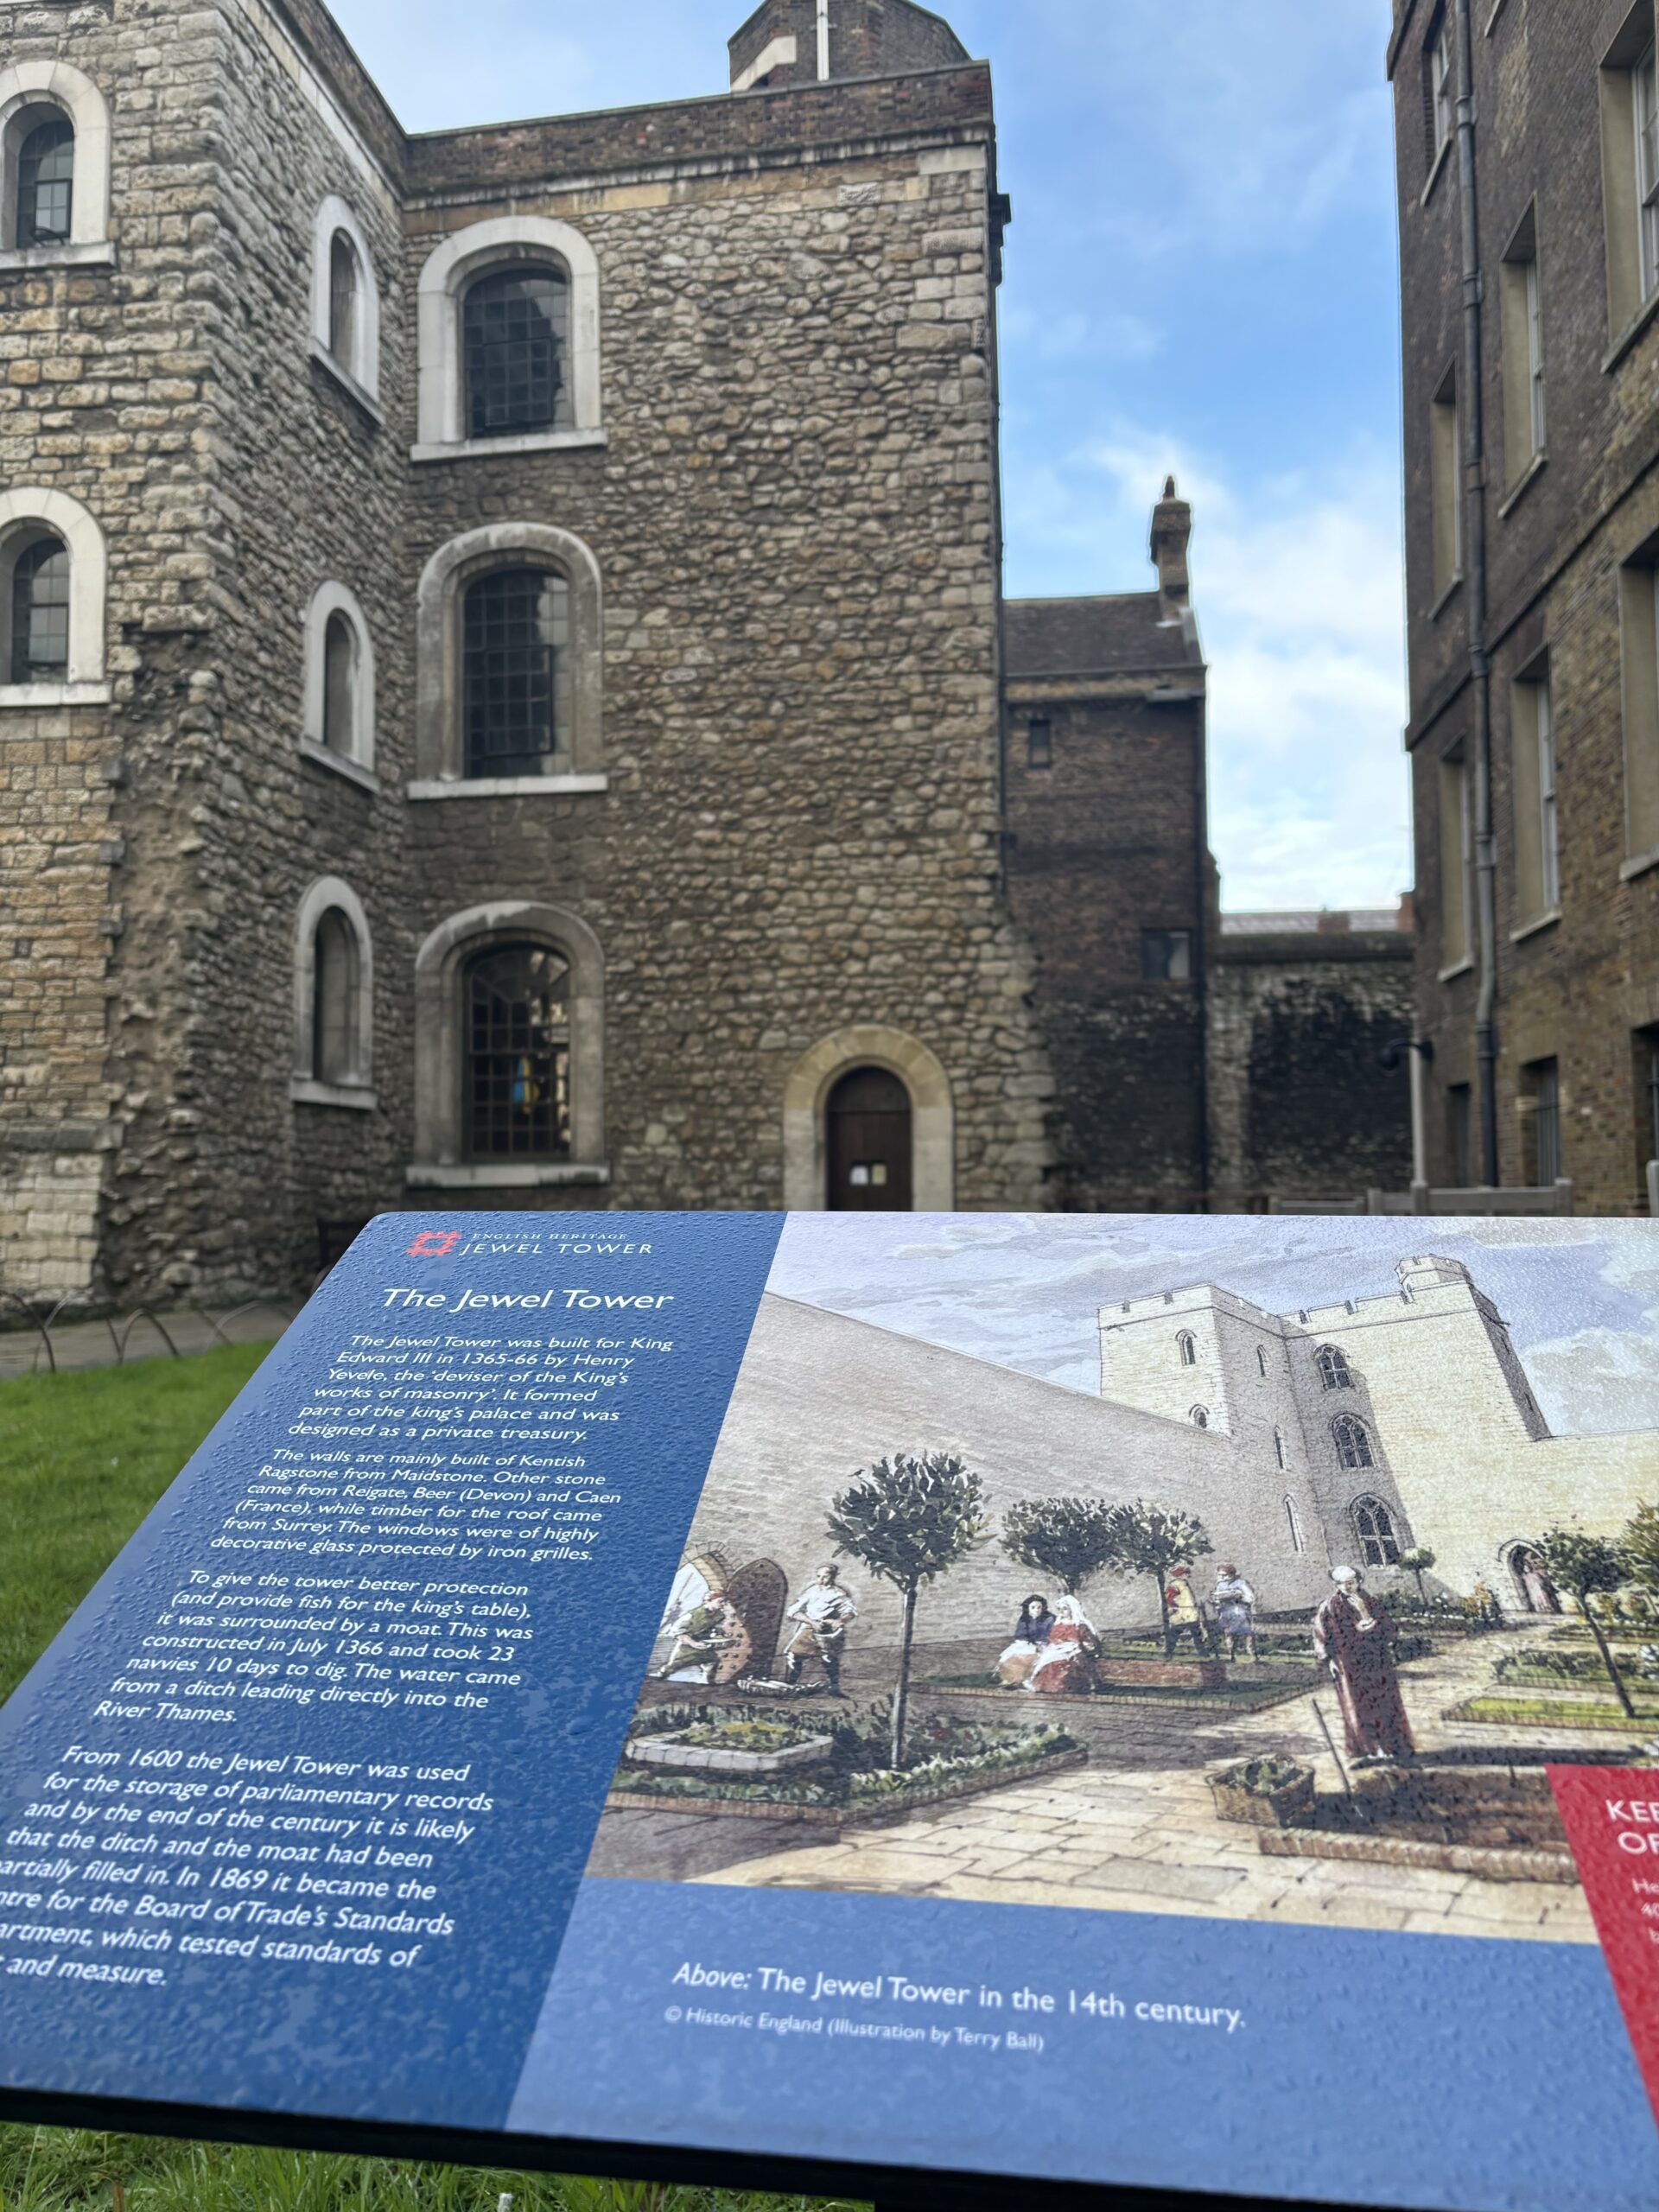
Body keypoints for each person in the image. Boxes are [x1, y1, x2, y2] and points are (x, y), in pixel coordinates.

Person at [1313, 1565, 1415, 1764]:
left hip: (1377, 1662)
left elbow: (1389, 1632)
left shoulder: (1371, 1603)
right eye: (1342, 1583)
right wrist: (1329, 1659)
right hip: (1348, 1665)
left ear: (1359, 1581)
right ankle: (1368, 1751)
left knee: (1383, 1704)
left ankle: (1391, 1748)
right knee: (1357, 1707)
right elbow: (1321, 1634)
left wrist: (1366, 1616)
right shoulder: (1329, 1606)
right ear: (1336, 1585)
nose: (1347, 1587)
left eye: (1351, 1582)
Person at [783, 1563, 859, 1695]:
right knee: (794, 1655)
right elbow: (793, 1610)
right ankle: (790, 1685)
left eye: (825, 1576)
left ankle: (834, 1687)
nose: (821, 1580)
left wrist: (839, 1621)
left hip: (827, 1631)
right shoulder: (812, 1590)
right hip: (808, 1628)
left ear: (833, 1576)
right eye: (819, 1576)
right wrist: (811, 1622)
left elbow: (850, 1612)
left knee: (829, 1658)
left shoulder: (839, 1593)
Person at [658, 1586, 736, 1684]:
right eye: (720, 1601)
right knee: (672, 1667)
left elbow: (717, 1629)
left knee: (712, 1662)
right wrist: (693, 1643)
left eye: (724, 1602)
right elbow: (677, 1632)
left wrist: (723, 1637)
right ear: (708, 1601)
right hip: (687, 1648)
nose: (723, 1604)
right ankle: (656, 1683)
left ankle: (708, 1686)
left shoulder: (719, 1615)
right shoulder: (693, 1614)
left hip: (705, 1646)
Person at [1027, 1595, 1099, 1694]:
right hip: (1057, 1649)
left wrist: (1078, 1643)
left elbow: (1090, 1643)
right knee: (1046, 1660)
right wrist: (1056, 1643)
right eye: (1059, 1609)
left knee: (1066, 1664)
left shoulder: (1080, 1625)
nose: (1061, 1611)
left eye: (1065, 1609)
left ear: (1072, 1609)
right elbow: (1052, 1638)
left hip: (1074, 1650)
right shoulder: (1058, 1624)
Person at [997, 1594, 1056, 1687]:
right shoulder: (1025, 1618)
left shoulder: (1049, 1619)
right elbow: (1021, 1634)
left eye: (1039, 1607)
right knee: (1013, 1657)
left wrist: (1041, 1644)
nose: (1036, 1610)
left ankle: (1023, 1679)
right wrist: (1030, 1643)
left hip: (1044, 1644)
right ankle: (1010, 1679)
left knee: (1028, 1659)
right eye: (1033, 1607)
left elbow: (1052, 1635)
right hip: (1028, 1644)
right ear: (1028, 1608)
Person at [1211, 1564, 1257, 1662]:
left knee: (1246, 1633)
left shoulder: (1241, 1583)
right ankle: (1230, 1654)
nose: (1222, 1577)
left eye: (1225, 1575)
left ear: (1231, 1574)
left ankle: (1251, 1654)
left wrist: (1239, 1596)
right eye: (1220, 1575)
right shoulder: (1220, 1585)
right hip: (1226, 1612)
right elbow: (1217, 1599)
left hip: (1240, 1611)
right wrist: (1216, 1601)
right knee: (1228, 1633)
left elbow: (1251, 1598)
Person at [1163, 1565, 1205, 1658]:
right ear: (1180, 1575)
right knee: (1175, 1633)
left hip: (1190, 1612)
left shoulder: (1184, 1583)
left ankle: (1202, 1652)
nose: (1188, 1575)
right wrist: (1174, 1607)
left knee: (1196, 1633)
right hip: (1181, 1612)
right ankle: (1168, 1652)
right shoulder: (1174, 1584)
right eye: (1186, 1573)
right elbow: (1169, 1598)